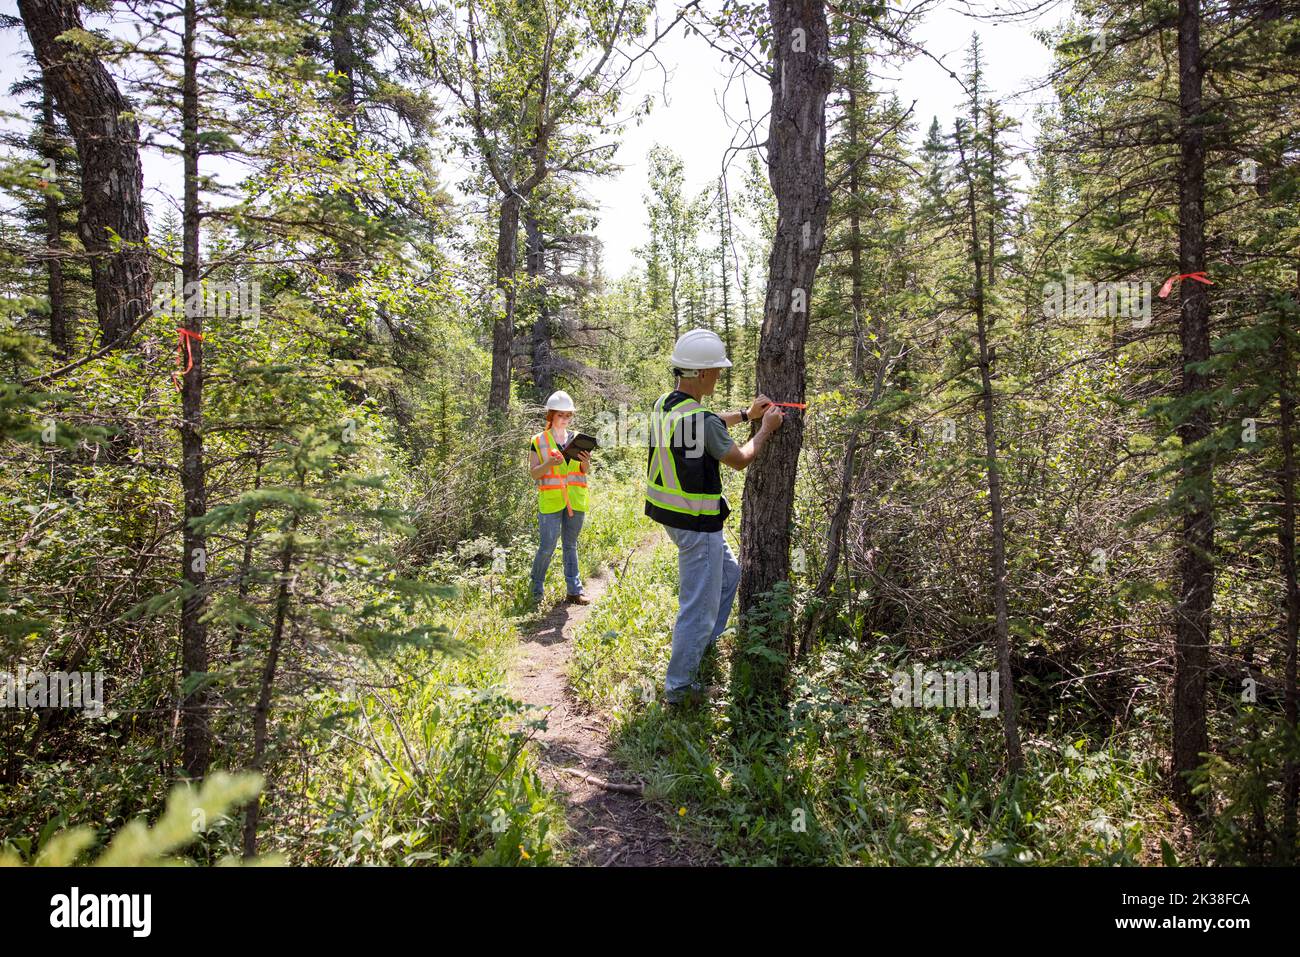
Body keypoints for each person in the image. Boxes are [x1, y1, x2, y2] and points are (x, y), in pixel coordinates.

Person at [644, 328, 784, 707]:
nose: (719, 376)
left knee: (730, 577)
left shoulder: (666, 404)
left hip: (674, 517)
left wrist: (744, 414)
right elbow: (739, 459)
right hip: (695, 523)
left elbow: (706, 423)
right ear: (702, 374)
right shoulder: (699, 418)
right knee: (697, 607)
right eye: (716, 371)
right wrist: (765, 429)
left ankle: (699, 649)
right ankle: (680, 688)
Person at [528, 390, 592, 606]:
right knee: (547, 546)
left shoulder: (578, 439)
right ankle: (536, 591)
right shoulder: (538, 440)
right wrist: (548, 464)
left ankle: (574, 591)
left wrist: (586, 461)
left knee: (570, 545)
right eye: (560, 415)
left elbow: (584, 471)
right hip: (551, 500)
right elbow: (534, 473)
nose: (565, 419)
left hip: (575, 499)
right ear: (551, 416)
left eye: (568, 415)